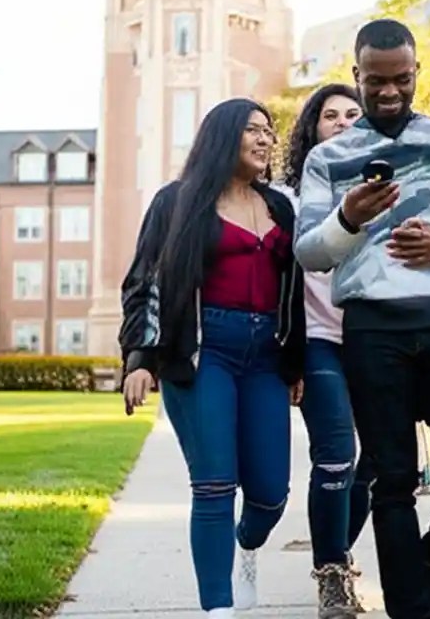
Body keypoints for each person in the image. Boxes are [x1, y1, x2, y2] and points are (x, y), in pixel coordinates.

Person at [294, 18, 430, 619]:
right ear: (357, 73)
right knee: (391, 482)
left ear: (417, 73)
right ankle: (412, 609)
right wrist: (347, 216)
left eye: (401, 79)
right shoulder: (328, 157)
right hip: (371, 328)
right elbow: (308, 250)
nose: (389, 92)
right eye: (376, 81)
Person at [120, 98, 306, 619]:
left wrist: (295, 365)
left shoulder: (280, 209)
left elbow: (295, 296)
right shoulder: (177, 202)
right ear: (222, 136)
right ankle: (217, 609)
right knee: (214, 484)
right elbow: (145, 283)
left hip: (266, 356)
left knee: (271, 493)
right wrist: (140, 357)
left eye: (269, 131)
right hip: (204, 356)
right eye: (252, 130)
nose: (266, 139)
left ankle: (246, 545)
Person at [279, 83, 373, 617]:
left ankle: (336, 550)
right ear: (312, 129)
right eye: (329, 114)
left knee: (377, 462)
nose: (341, 121)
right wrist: (285, 358)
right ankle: (332, 576)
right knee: (337, 453)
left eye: (351, 113)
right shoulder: (291, 201)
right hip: (317, 341)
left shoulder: (391, 188)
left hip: (373, 339)